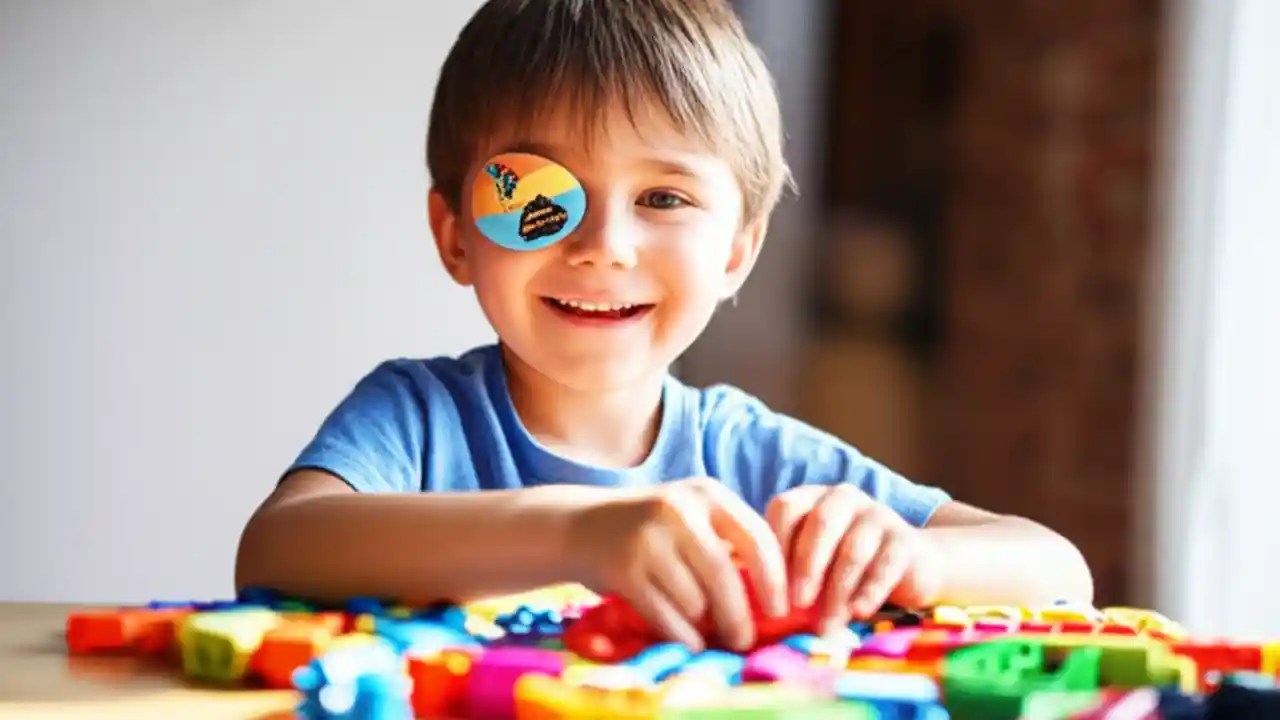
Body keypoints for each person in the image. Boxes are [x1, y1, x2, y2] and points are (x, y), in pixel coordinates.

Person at [235, 0, 1093, 653]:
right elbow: (277, 548)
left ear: (735, 252)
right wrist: (578, 534)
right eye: (538, 197)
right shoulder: (418, 419)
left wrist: (914, 561)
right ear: (456, 232)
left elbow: (1059, 570)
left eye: (663, 199)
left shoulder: (756, 459)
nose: (603, 247)